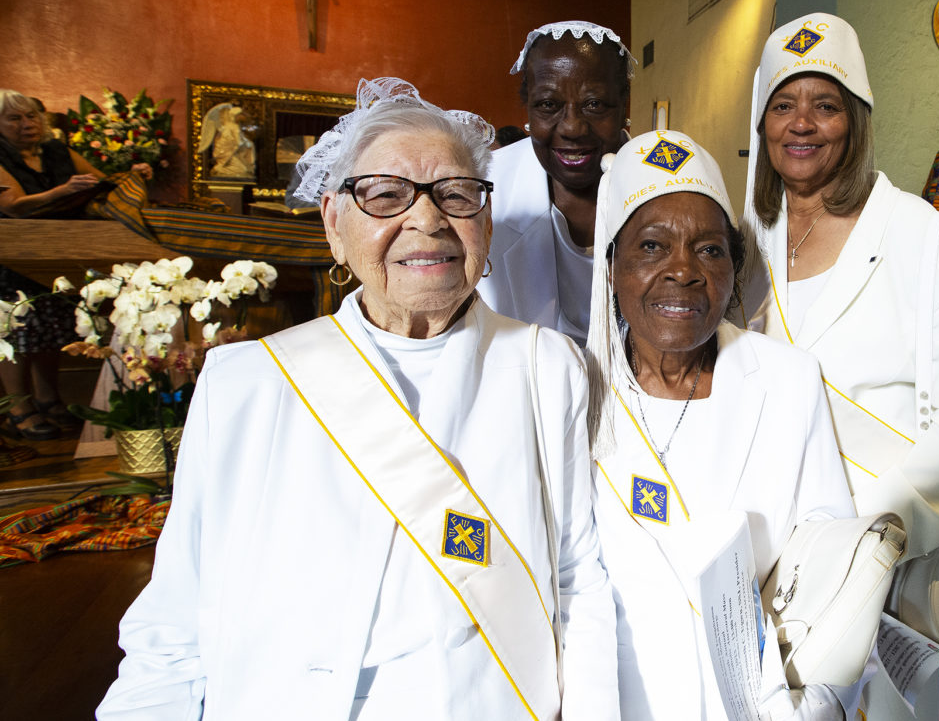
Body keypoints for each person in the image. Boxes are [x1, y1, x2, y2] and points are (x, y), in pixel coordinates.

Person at [98, 77, 617, 720]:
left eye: (455, 194)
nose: (426, 220)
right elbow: (173, 620)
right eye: (386, 195)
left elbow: (577, 579)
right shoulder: (245, 385)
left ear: (484, 220)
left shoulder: (549, 367)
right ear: (334, 225)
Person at [740, 15, 939, 717]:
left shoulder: (929, 244)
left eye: (824, 104)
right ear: (760, 123)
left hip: (879, 570)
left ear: (855, 120)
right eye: (782, 104)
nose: (801, 124)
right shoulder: (739, 242)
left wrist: (846, 539)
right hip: (751, 567)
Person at [588, 130, 855, 720]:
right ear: (612, 268)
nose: (682, 271)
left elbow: (829, 560)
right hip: (619, 698)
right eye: (652, 247)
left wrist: (811, 705)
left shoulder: (788, 382)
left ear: (735, 268)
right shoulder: (573, 392)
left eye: (709, 250)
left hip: (758, 701)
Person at [0, 90, 152, 440]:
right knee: (17, 334)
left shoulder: (57, 151)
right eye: (15, 119)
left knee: (53, 329)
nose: (27, 125)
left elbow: (98, 182)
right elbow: (11, 205)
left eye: (32, 117)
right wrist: (60, 192)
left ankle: (47, 398)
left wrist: (131, 174)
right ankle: (16, 408)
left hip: (58, 251)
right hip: (12, 254)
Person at [478, 21, 634, 344]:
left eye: (594, 104)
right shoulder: (485, 190)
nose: (573, 127)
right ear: (530, 111)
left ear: (623, 109)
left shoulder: (664, 187)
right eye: (549, 105)